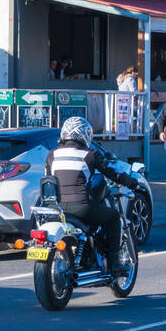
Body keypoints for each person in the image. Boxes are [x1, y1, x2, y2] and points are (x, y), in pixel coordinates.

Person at [45, 117, 123, 276]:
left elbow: (49, 179)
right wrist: (132, 182)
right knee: (114, 217)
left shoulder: (52, 155)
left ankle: (86, 253)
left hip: (56, 209)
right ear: (82, 135)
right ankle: (115, 264)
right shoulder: (90, 155)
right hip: (81, 208)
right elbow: (112, 174)